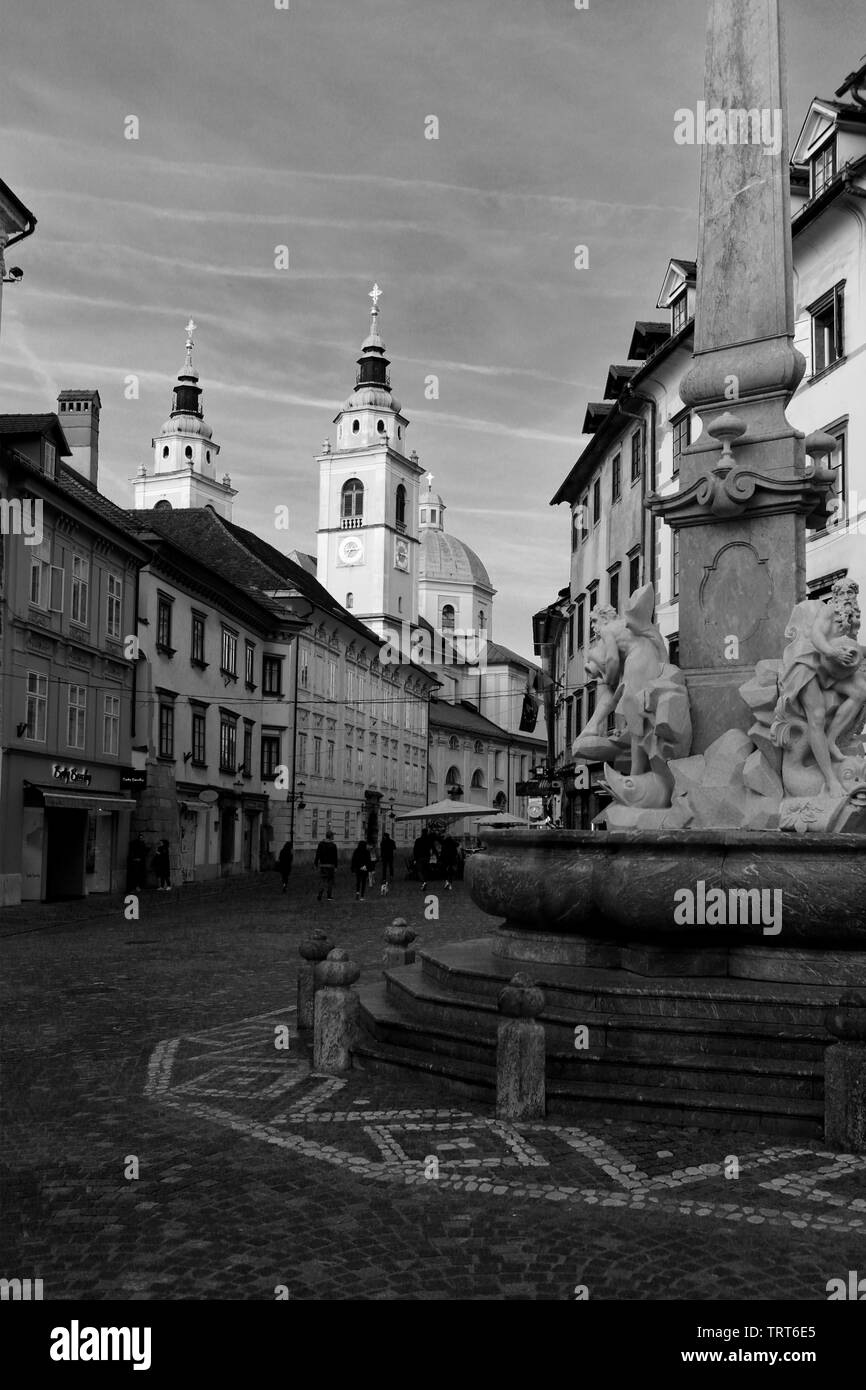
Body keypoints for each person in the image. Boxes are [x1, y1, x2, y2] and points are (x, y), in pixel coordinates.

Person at [314, 829, 338, 901]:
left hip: (323, 865)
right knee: (330, 881)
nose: (333, 837)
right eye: (333, 835)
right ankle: (329, 895)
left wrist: (315, 863)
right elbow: (335, 857)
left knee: (322, 880)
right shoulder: (333, 845)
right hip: (330, 866)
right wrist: (336, 866)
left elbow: (317, 854)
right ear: (330, 836)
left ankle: (320, 894)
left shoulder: (321, 844)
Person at [379, 830, 396, 895]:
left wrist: (381, 856)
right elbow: (394, 848)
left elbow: (381, 850)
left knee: (384, 867)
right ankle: (391, 876)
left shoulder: (383, 842)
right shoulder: (392, 841)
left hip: (384, 856)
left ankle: (384, 878)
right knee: (391, 866)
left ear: (385, 837)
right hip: (390, 856)